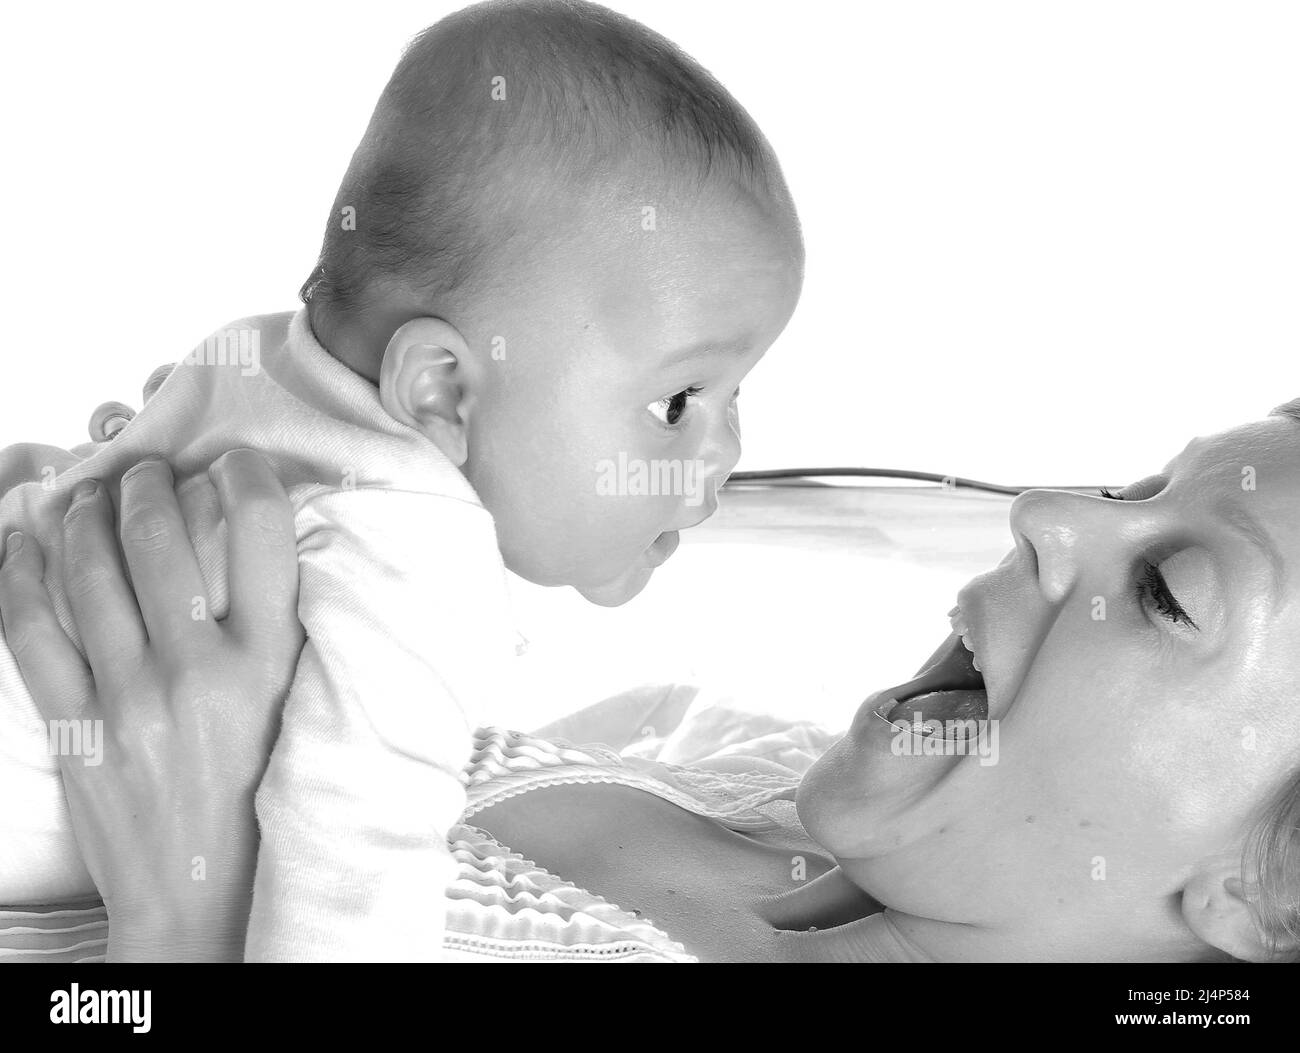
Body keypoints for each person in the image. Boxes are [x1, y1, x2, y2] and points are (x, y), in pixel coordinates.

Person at [0, 0, 802, 959]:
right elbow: (354, 855)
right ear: (441, 389)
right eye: (680, 401)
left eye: (734, 395)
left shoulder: (248, 356)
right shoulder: (420, 547)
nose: (724, 452)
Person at [6, 403, 1298, 961]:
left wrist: (178, 918)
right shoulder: (740, 754)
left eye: (1171, 592)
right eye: (1134, 490)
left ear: (1263, 892)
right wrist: (200, 529)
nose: (1049, 514)